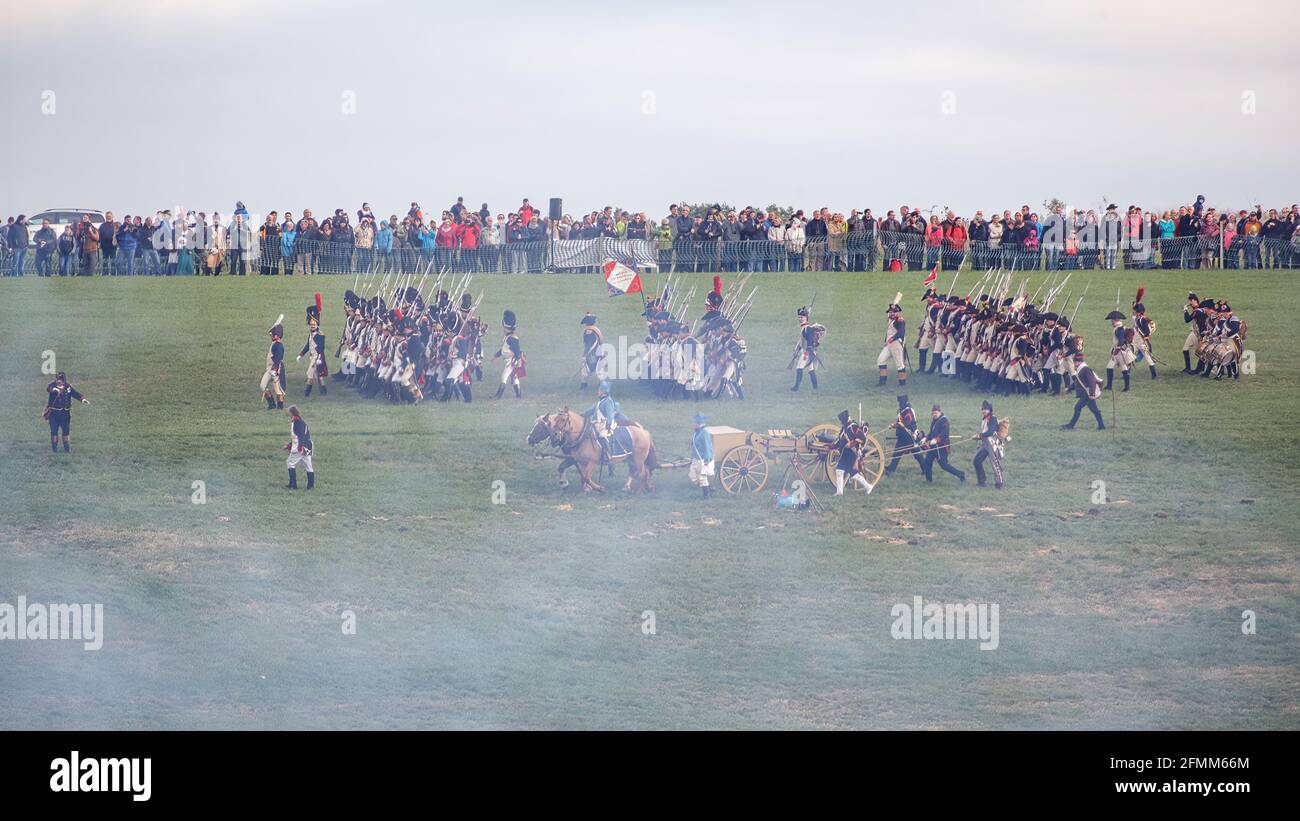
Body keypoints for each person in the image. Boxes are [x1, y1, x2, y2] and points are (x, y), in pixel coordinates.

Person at [1061, 340, 1106, 430]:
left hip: (1087, 394)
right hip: (1087, 394)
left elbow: (1092, 382)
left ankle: (1071, 425)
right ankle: (1102, 426)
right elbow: (1077, 382)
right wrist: (1069, 388)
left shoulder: (1085, 369)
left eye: (1075, 362)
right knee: (1095, 410)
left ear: (1079, 362)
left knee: (1077, 407)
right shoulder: (1081, 369)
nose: (1074, 364)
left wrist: (1092, 394)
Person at [832, 409, 874, 495]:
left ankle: (868, 486)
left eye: (842, 421)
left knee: (852, 473)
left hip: (851, 453)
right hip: (845, 453)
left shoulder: (854, 427)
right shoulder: (844, 428)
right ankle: (839, 492)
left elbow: (862, 438)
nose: (841, 422)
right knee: (840, 471)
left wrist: (851, 443)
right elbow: (839, 440)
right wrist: (832, 446)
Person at [44, 371, 89, 453]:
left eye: (61, 379)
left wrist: (82, 399)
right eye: (58, 379)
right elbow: (49, 389)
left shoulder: (68, 387)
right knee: (54, 431)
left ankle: (67, 449)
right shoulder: (52, 385)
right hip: (54, 414)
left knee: (66, 431)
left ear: (64, 380)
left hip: (65, 414)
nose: (59, 381)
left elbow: (75, 393)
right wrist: (54, 389)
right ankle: (54, 450)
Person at [884, 394, 926, 477]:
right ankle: (891, 469)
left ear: (905, 402)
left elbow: (906, 422)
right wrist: (894, 425)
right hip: (903, 435)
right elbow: (900, 421)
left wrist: (895, 425)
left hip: (910, 435)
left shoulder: (908, 411)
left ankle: (926, 469)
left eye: (900, 402)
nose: (899, 404)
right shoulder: (902, 410)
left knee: (917, 454)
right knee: (897, 453)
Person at [922, 404, 965, 483]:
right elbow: (932, 432)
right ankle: (929, 481)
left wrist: (936, 439)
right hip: (933, 447)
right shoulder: (934, 420)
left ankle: (961, 474)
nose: (934, 414)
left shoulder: (944, 421)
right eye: (933, 413)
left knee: (944, 465)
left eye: (936, 413)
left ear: (940, 412)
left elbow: (944, 433)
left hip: (942, 447)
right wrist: (926, 437)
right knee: (927, 462)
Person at [298, 296, 328, 396]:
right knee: (319, 377)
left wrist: (318, 358)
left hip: (316, 358)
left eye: (314, 324)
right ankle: (324, 393)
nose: (312, 326)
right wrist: (301, 354)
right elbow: (308, 345)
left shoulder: (320, 335)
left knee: (310, 375)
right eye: (311, 324)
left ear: (317, 324)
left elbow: (321, 348)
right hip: (313, 357)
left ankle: (307, 394)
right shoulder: (311, 334)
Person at [492, 310, 525, 398]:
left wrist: (516, 361)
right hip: (510, 361)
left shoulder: (512, 339)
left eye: (504, 328)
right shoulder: (508, 337)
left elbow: (517, 351)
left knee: (504, 376)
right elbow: (504, 349)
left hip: (512, 362)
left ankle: (498, 395)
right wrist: (496, 355)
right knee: (514, 378)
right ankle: (518, 395)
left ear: (507, 328)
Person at [877, 294, 908, 387]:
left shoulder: (900, 321)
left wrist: (891, 339)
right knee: (881, 360)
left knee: (900, 364)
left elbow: (901, 333)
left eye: (893, 312)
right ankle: (882, 382)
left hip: (896, 344)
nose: (891, 314)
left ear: (897, 313)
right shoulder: (890, 319)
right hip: (888, 344)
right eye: (890, 312)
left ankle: (902, 383)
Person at [790, 306, 823, 392]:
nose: (800, 319)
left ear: (806, 317)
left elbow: (809, 342)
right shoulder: (805, 327)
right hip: (808, 352)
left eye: (801, 317)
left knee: (799, 367)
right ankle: (815, 387)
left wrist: (807, 352)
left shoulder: (807, 328)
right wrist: (797, 348)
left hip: (807, 353)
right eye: (799, 317)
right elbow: (803, 340)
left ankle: (796, 387)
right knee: (811, 369)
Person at [972, 400, 1004, 489]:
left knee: (995, 464)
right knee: (977, 461)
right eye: (982, 409)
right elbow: (984, 432)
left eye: (985, 409)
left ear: (990, 409)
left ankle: (999, 484)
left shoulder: (993, 418)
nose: (984, 411)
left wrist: (980, 435)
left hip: (992, 444)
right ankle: (982, 482)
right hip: (985, 444)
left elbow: (990, 431)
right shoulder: (984, 419)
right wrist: (978, 436)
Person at [283, 405, 315, 489]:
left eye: (289, 412)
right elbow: (296, 437)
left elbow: (301, 436)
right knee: (308, 466)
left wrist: (300, 447)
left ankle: (293, 485)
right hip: (307, 446)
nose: (288, 413)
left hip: (301, 446)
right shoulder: (298, 421)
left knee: (290, 462)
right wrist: (289, 445)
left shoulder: (298, 422)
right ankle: (310, 486)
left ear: (292, 413)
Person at [1105, 309, 1134, 391]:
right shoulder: (1119, 328)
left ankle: (1127, 387)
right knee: (1109, 367)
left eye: (1112, 320)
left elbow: (1121, 341)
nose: (1111, 322)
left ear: (1115, 320)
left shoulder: (1119, 329)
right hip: (1118, 351)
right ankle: (1109, 386)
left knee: (1124, 368)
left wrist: (1117, 349)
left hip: (1119, 352)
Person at [262, 319, 286, 409]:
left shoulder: (278, 345)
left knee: (278, 390)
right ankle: (271, 404)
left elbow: (278, 359)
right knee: (263, 386)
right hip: (269, 370)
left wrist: (275, 370)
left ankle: (280, 407)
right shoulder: (274, 344)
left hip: (276, 370)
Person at [689, 411, 714, 498]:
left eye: (694, 423)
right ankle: (709, 489)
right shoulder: (697, 432)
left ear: (699, 424)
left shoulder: (704, 433)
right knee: (693, 475)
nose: (693, 424)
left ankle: (706, 495)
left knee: (702, 477)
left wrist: (707, 460)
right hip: (696, 458)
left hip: (703, 459)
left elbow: (707, 447)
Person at [579, 312, 604, 390]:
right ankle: (602, 387)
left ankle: (584, 386)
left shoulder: (588, 332)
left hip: (592, 354)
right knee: (597, 371)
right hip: (599, 353)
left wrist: (585, 355)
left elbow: (589, 345)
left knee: (586, 370)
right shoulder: (595, 329)